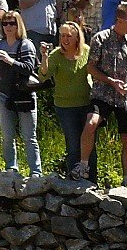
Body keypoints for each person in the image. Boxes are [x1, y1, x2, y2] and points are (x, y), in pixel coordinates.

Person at [72, 4, 127, 185]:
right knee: (91, 122)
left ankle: (126, 179)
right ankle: (83, 166)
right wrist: (111, 81)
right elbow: (90, 67)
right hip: (103, 93)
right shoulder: (100, 38)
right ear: (119, 20)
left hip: (126, 98)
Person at [0, 10, 42, 176]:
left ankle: (36, 171)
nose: (8, 27)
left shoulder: (26, 44)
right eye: (5, 23)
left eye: (12, 23)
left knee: (28, 136)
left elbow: (28, 69)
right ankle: (11, 168)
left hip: (24, 94)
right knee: (7, 135)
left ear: (18, 25)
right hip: (5, 94)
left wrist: (10, 61)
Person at [39, 21, 92, 179]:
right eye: (62, 36)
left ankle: (91, 179)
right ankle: (72, 179)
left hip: (86, 104)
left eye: (69, 36)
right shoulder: (56, 54)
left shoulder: (87, 51)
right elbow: (43, 76)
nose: (65, 39)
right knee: (73, 144)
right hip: (65, 106)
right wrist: (44, 57)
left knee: (89, 144)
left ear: (77, 37)